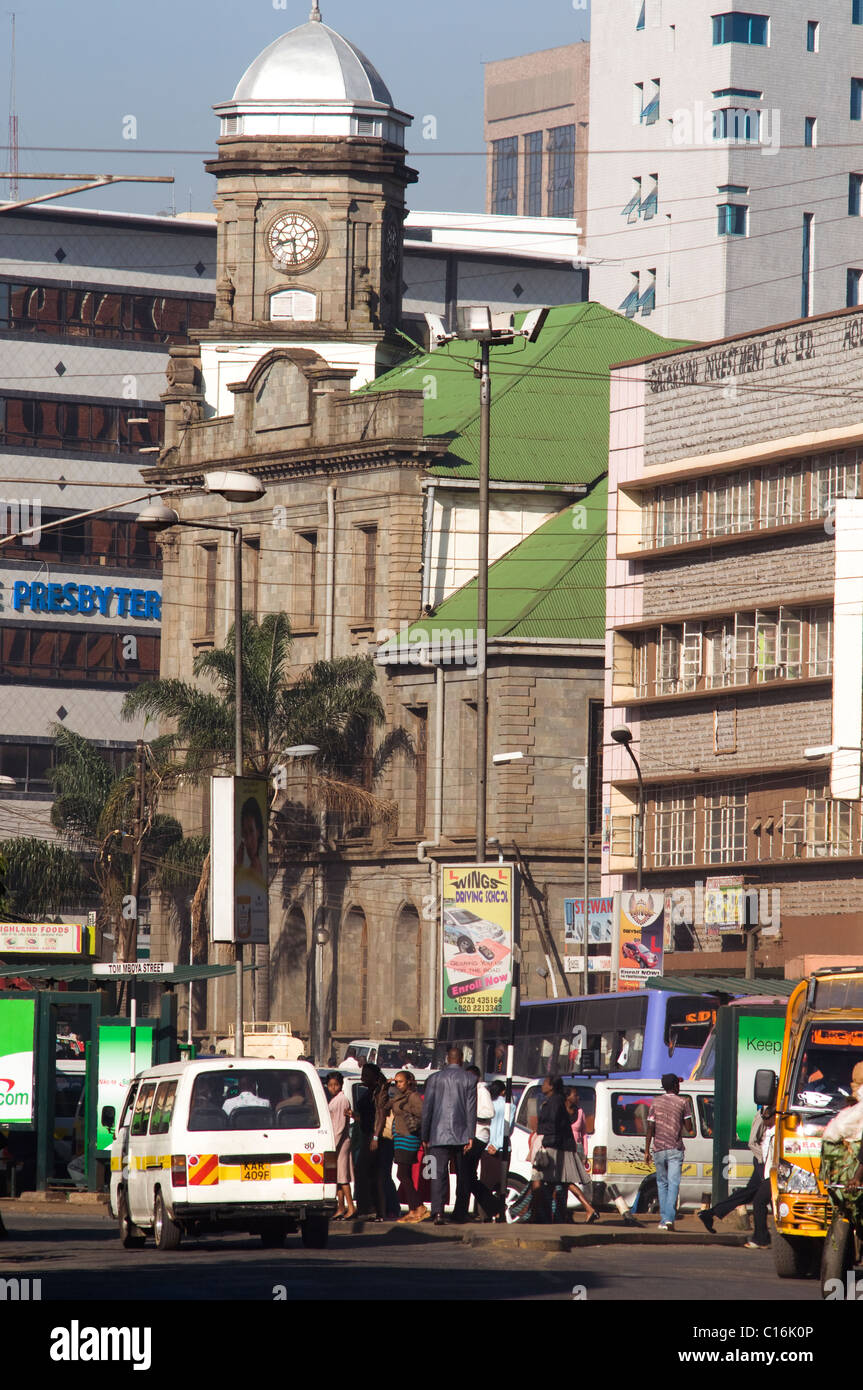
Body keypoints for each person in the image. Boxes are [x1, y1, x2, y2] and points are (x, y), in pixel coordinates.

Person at [530, 1075, 599, 1224]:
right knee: (557, 1182)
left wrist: (543, 1136)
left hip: (552, 1145)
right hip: (557, 1145)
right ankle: (543, 1216)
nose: (543, 1085)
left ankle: (535, 1216)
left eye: (546, 1083)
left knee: (538, 1179)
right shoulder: (555, 1101)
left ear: (551, 1086)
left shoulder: (554, 1102)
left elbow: (553, 1124)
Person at [420, 1046, 477, 1226]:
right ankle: (460, 1211)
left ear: (447, 1059)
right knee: (463, 1174)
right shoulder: (470, 1079)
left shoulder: (434, 1079)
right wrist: (471, 1135)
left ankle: (438, 1212)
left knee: (438, 1174)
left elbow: (427, 1109)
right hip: (461, 1133)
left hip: (438, 1133)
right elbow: (471, 1109)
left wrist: (425, 1133)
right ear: (461, 1059)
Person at [698, 1105, 772, 1234]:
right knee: (762, 1196)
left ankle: (711, 1213)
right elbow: (752, 1142)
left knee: (751, 1194)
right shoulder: (763, 1114)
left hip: (769, 1161)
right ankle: (762, 1236)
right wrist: (763, 1160)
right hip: (764, 1161)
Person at [457, 1066, 502, 1222]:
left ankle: (462, 1211)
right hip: (468, 1136)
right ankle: (493, 1206)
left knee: (465, 1175)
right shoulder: (469, 1091)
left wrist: (469, 1114)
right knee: (468, 1176)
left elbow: (489, 1112)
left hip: (477, 1137)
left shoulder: (482, 1091)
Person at [645, 1074, 689, 1232]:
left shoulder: (655, 1102)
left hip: (658, 1149)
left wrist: (647, 1150)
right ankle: (669, 1218)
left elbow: (650, 1127)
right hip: (675, 1149)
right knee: (674, 1184)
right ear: (676, 1086)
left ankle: (664, 1219)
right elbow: (689, 1127)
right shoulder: (683, 1102)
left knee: (661, 1184)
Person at [383, 1070, 428, 1222]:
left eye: (400, 1081)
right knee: (404, 1174)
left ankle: (419, 1207)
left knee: (401, 1174)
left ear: (408, 1081)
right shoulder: (398, 1096)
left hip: (409, 1138)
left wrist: (407, 1110)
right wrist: (385, 1087)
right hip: (400, 1138)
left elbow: (423, 1115)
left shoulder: (413, 1096)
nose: (398, 1084)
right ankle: (413, 1209)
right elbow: (383, 1105)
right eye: (396, 1082)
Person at [745, 1108, 776, 1249]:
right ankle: (762, 1236)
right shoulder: (771, 1130)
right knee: (761, 1200)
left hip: (772, 1172)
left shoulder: (775, 1131)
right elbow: (754, 1143)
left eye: (766, 1118)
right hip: (767, 1170)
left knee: (759, 1201)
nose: (764, 1121)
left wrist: (762, 1161)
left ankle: (762, 1238)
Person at [326, 1072, 356, 1220]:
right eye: (330, 1085)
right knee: (337, 1177)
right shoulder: (336, 1099)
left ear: (340, 1085)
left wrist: (332, 1145)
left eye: (336, 1085)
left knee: (343, 1177)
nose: (333, 1088)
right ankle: (341, 1207)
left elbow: (339, 1126)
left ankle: (350, 1207)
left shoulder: (341, 1100)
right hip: (337, 1142)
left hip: (339, 1143)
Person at [236, 796, 264, 876]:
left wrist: (238, 865)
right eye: (245, 833)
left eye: (251, 831)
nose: (248, 840)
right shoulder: (249, 868)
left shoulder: (256, 871)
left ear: (258, 832)